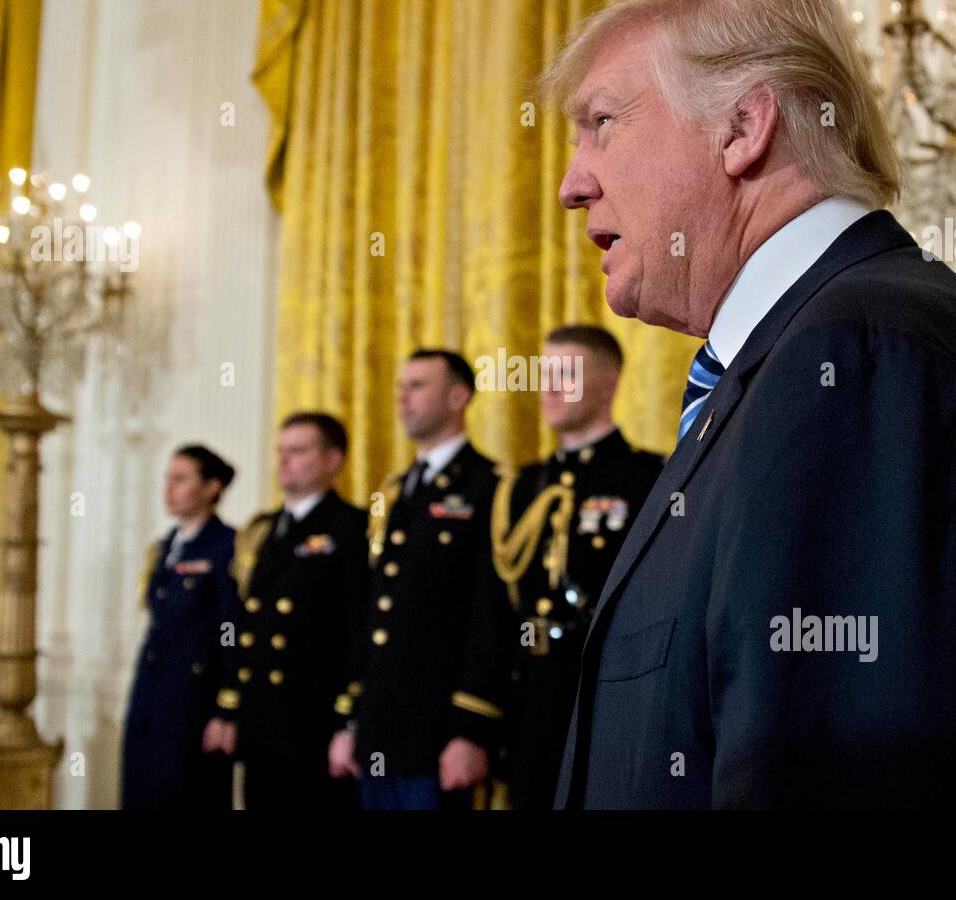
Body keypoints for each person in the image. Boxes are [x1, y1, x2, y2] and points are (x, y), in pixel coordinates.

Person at [543, 0, 956, 808]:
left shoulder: (853, 365)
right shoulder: (818, 350)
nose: (571, 184)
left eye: (602, 123)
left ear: (743, 128)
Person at [327, 349, 509, 810]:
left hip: (440, 734)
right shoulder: (394, 491)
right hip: (380, 729)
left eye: (417, 386)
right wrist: (352, 721)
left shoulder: (490, 487)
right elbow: (373, 616)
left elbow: (491, 616)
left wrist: (472, 730)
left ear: (458, 396)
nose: (402, 398)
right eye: (399, 387)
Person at [490, 325, 663, 809]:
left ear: (609, 383)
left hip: (601, 693)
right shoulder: (521, 487)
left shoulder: (645, 477)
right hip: (527, 700)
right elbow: (495, 609)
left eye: (564, 374)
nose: (547, 387)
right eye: (543, 374)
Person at [204, 412, 368, 809]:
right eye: (280, 451)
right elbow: (242, 625)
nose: (284, 460)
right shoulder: (262, 530)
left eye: (298, 451)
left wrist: (349, 723)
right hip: (262, 722)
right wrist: (228, 709)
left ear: (333, 460)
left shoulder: (351, 528)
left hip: (314, 722)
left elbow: (359, 630)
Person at [122, 444, 239, 809]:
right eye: (167, 479)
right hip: (151, 695)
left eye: (180, 479)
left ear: (211, 487)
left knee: (185, 795)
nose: (168, 489)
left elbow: (230, 629)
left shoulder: (227, 546)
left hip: (194, 701)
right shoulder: (166, 547)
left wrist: (227, 708)